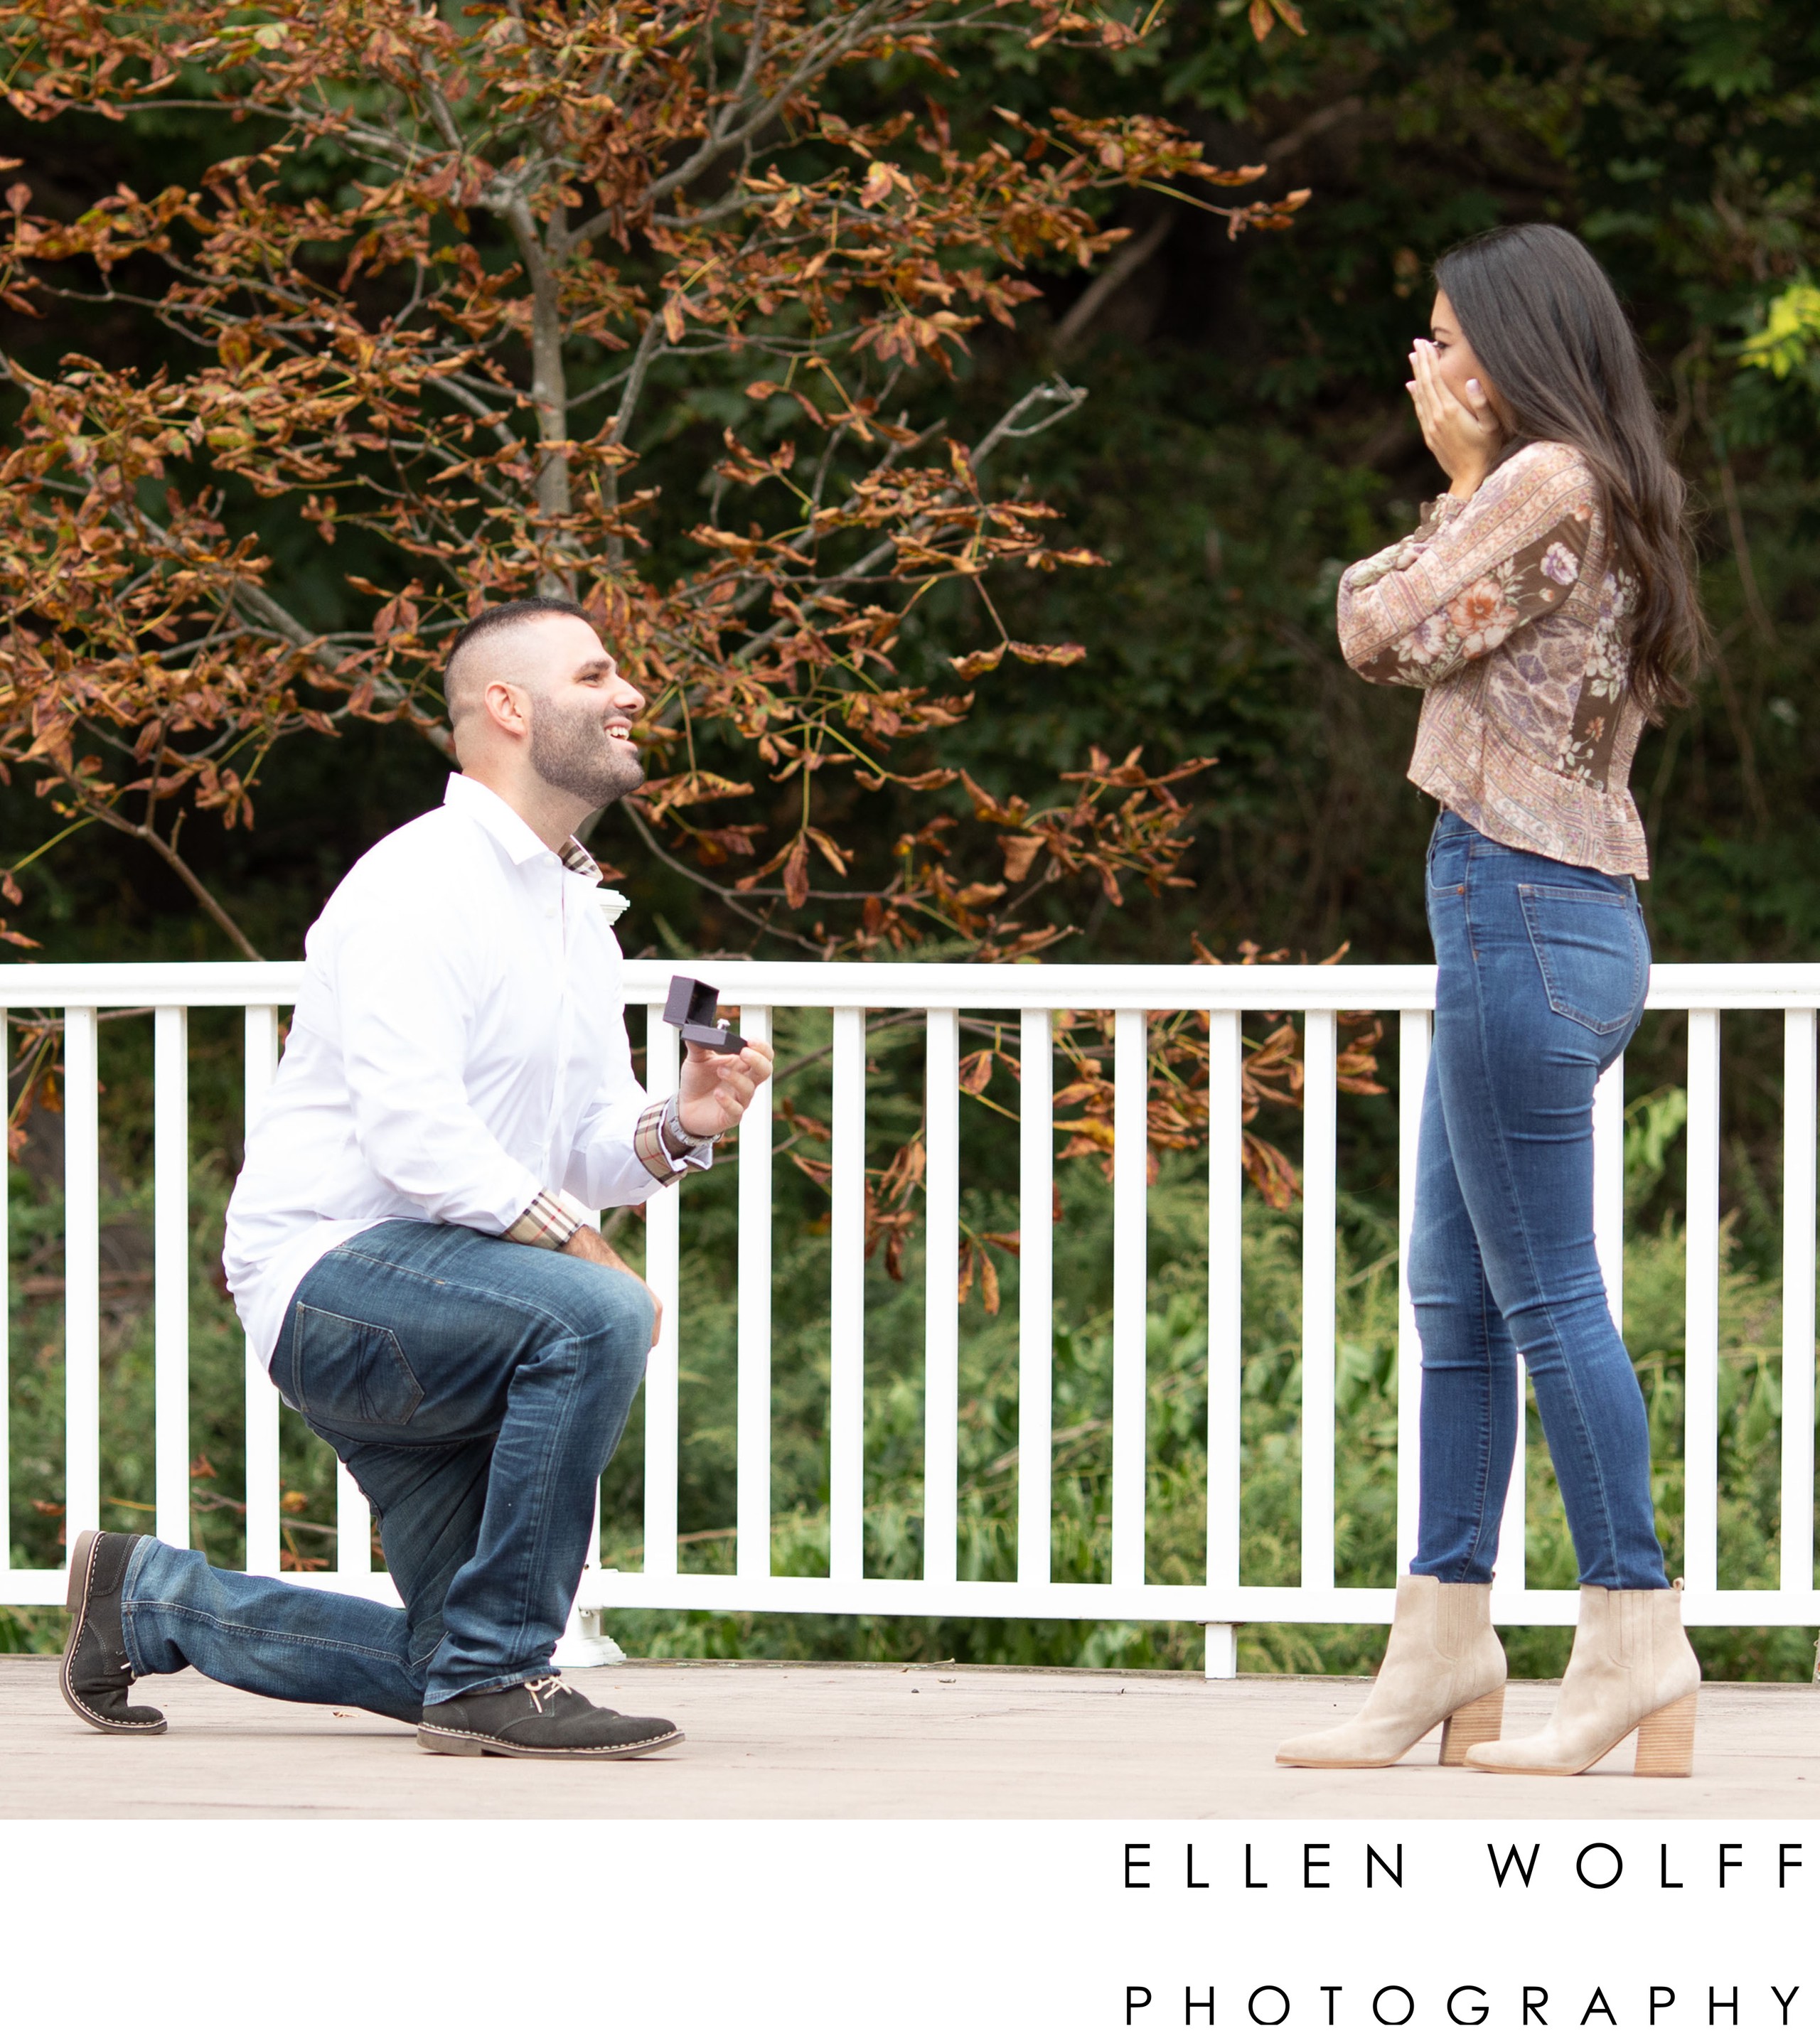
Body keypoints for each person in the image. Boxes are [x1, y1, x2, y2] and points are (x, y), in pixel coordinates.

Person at [58, 598, 774, 1759]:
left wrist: (682, 1123)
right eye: (596, 675)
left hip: (462, 1300)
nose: (632, 694)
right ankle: (502, 1672)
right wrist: (582, 1250)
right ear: (508, 707)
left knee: (447, 1660)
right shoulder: (417, 883)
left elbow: (591, 1139)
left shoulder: (577, 917)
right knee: (595, 1315)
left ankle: (146, 1598)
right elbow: (414, 1133)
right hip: (338, 1278)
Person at [1275, 224, 1708, 1779]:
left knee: (1541, 1298)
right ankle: (1441, 1639)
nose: (1431, 366)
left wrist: (1454, 478)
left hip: (1516, 904)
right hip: (1541, 912)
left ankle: (1632, 1634)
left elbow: (1371, 624)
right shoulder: (1606, 488)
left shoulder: (1540, 487)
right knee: (1456, 1301)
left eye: (1451, 338)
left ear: (1519, 347)